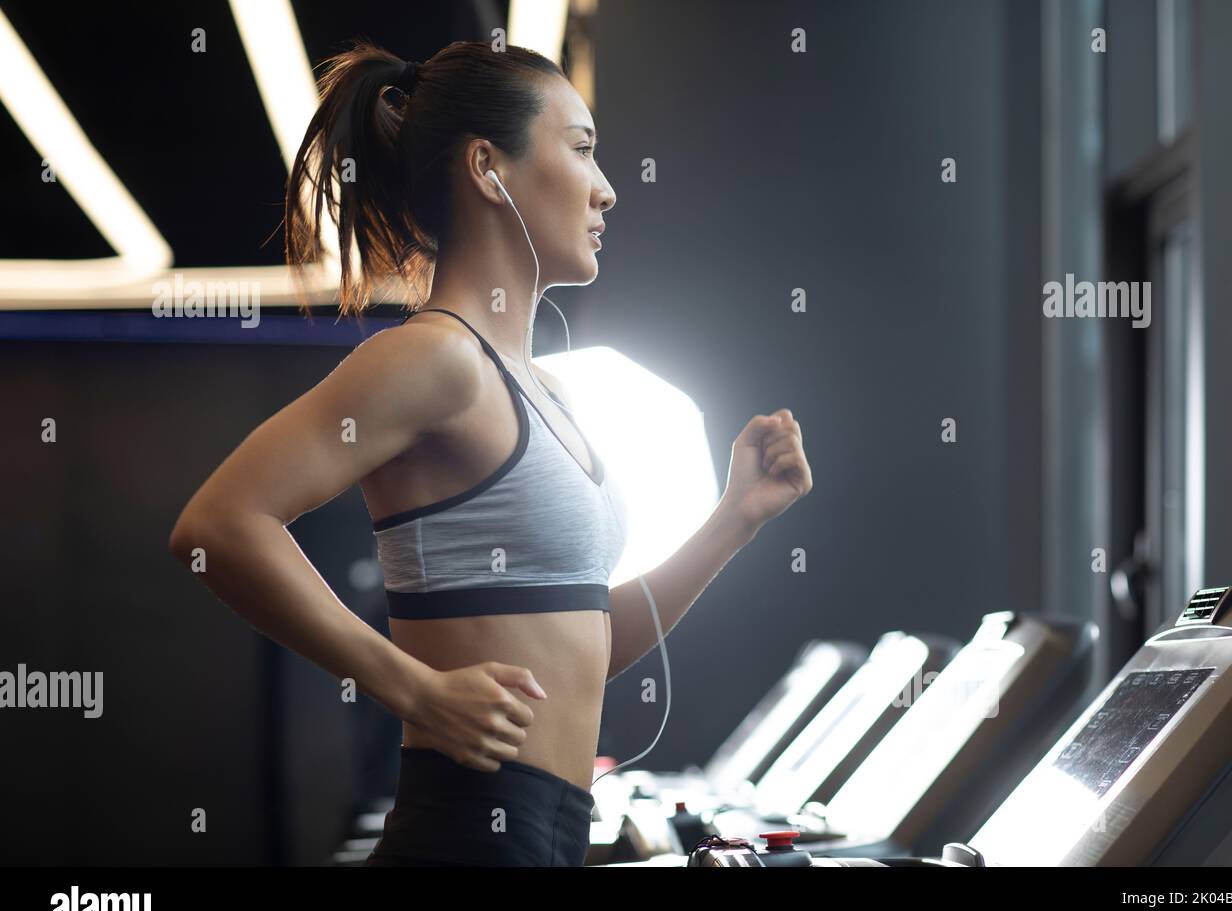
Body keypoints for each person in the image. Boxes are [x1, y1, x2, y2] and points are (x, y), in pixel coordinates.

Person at [168, 39, 812, 866]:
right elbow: (217, 525)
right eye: (580, 149)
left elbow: (590, 647)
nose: (607, 188)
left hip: (554, 836)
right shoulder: (435, 360)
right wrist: (413, 688)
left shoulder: (549, 390)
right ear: (488, 169)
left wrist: (735, 519)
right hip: (468, 834)